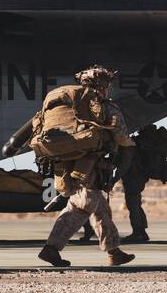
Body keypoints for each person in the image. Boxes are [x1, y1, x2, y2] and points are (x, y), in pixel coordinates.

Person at [37, 67, 135, 268]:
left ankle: (113, 251)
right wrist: (128, 148)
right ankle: (51, 248)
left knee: (101, 209)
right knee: (82, 206)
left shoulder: (69, 105)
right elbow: (121, 136)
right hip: (89, 165)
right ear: (103, 86)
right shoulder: (105, 106)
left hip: (66, 164)